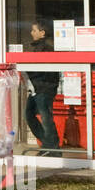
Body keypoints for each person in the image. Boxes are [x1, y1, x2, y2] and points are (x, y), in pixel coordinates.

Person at [24, 17, 61, 152]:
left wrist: (28, 72)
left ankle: (52, 148)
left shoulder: (46, 47)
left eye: (34, 30)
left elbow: (42, 69)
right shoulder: (37, 47)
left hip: (44, 86)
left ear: (42, 32)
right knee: (29, 115)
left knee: (46, 118)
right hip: (37, 86)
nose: (31, 33)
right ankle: (48, 144)